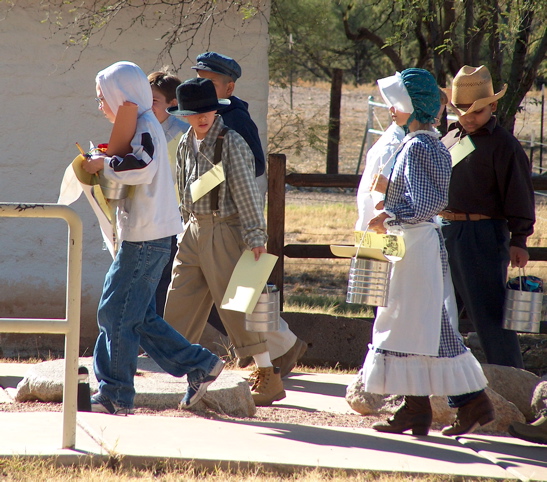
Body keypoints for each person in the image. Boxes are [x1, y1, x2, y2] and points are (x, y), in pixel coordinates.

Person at [82, 61, 224, 415]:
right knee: (139, 317)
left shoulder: (145, 124)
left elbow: (143, 167)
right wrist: (106, 158)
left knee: (114, 311)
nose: (100, 104)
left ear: (121, 95)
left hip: (146, 238)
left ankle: (115, 394)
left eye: (103, 97)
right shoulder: (142, 124)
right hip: (145, 236)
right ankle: (200, 365)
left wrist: (104, 165)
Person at [358, 68, 493, 437]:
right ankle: (421, 408)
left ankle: (460, 402)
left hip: (414, 245)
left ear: (412, 105)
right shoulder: (422, 141)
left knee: (414, 325)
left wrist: (389, 214)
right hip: (414, 245)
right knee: (419, 328)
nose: (390, 110)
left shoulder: (419, 145)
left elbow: (430, 201)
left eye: (395, 103)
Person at [162, 77, 286, 406]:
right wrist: (181, 227)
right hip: (192, 230)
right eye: (195, 112)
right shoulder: (186, 143)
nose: (203, 116)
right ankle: (176, 371)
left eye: (208, 110)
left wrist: (256, 236)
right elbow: (184, 190)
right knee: (179, 300)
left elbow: (246, 192)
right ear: (184, 115)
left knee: (238, 308)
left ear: (217, 109)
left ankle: (267, 376)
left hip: (226, 230)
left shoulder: (231, 142)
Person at [191, 51, 307, 376]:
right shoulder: (204, 115)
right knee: (229, 293)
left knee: (238, 292)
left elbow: (256, 163)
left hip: (233, 218)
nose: (202, 86)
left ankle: (281, 345)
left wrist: (208, 179)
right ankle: (277, 347)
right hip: (205, 219)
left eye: (210, 82)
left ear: (229, 88)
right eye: (199, 79)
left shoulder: (236, 118)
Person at [440, 65, 535, 368]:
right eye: (461, 110)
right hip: (443, 231)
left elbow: (519, 193)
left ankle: (512, 384)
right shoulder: (450, 137)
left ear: (493, 106)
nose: (468, 117)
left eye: (477, 111)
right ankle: (440, 387)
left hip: (481, 235)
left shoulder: (504, 145)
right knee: (439, 314)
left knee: (490, 315)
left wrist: (519, 238)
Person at [147, 71, 189, 317]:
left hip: (178, 223)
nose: (148, 107)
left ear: (172, 104)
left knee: (168, 284)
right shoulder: (144, 131)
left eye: (154, 101)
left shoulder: (184, 134)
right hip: (152, 221)